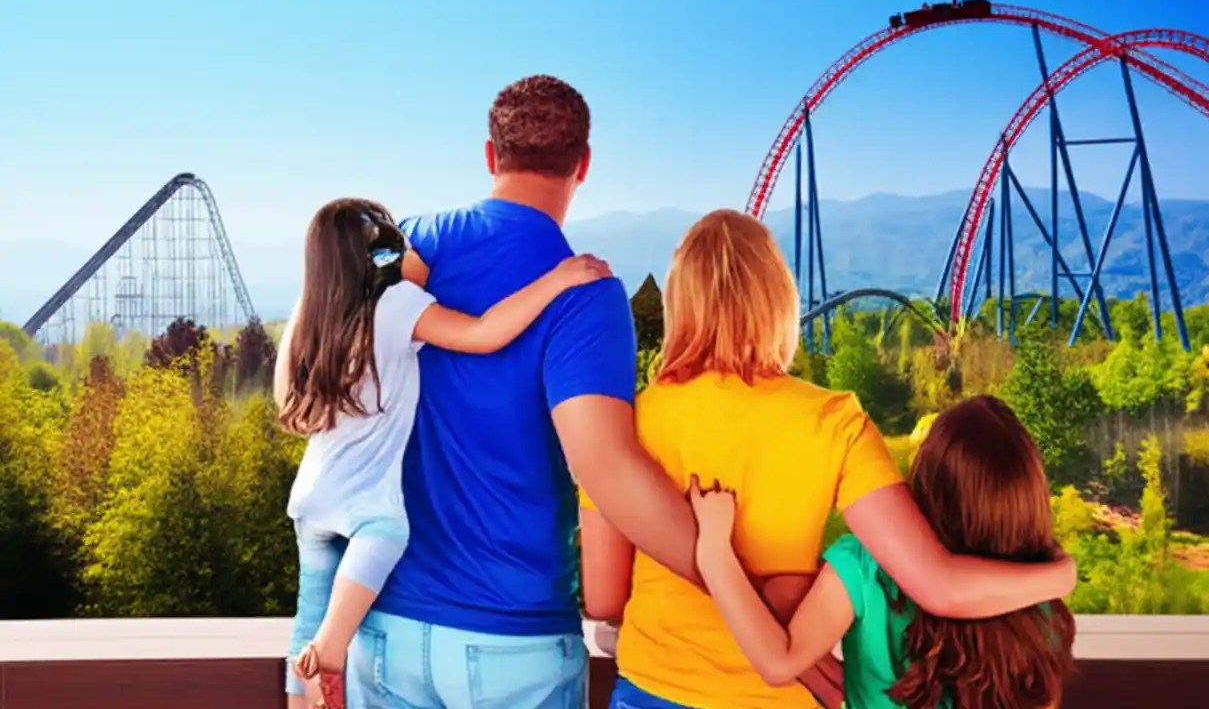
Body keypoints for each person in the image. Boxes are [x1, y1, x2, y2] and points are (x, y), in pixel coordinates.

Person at [343, 76, 814, 709]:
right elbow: (607, 468)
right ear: (583, 165)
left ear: (490, 156)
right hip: (510, 642)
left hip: (382, 629)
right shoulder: (584, 295)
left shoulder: (408, 247)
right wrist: (754, 608)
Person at [578, 210, 1077, 708]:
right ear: (779, 299)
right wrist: (1059, 577)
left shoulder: (628, 424)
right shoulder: (836, 422)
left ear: (680, 304)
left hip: (654, 688)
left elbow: (602, 597)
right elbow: (933, 582)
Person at [273, 198, 610, 709]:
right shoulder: (395, 306)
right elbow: (482, 333)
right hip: (366, 505)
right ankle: (333, 644)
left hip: (314, 497)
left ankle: (306, 683)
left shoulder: (314, 319)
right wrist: (557, 279)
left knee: (309, 608)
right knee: (388, 534)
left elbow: (285, 400)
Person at [691, 394, 1077, 708]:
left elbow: (779, 661)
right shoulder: (1038, 605)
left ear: (928, 484)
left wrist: (714, 551)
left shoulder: (864, 564)